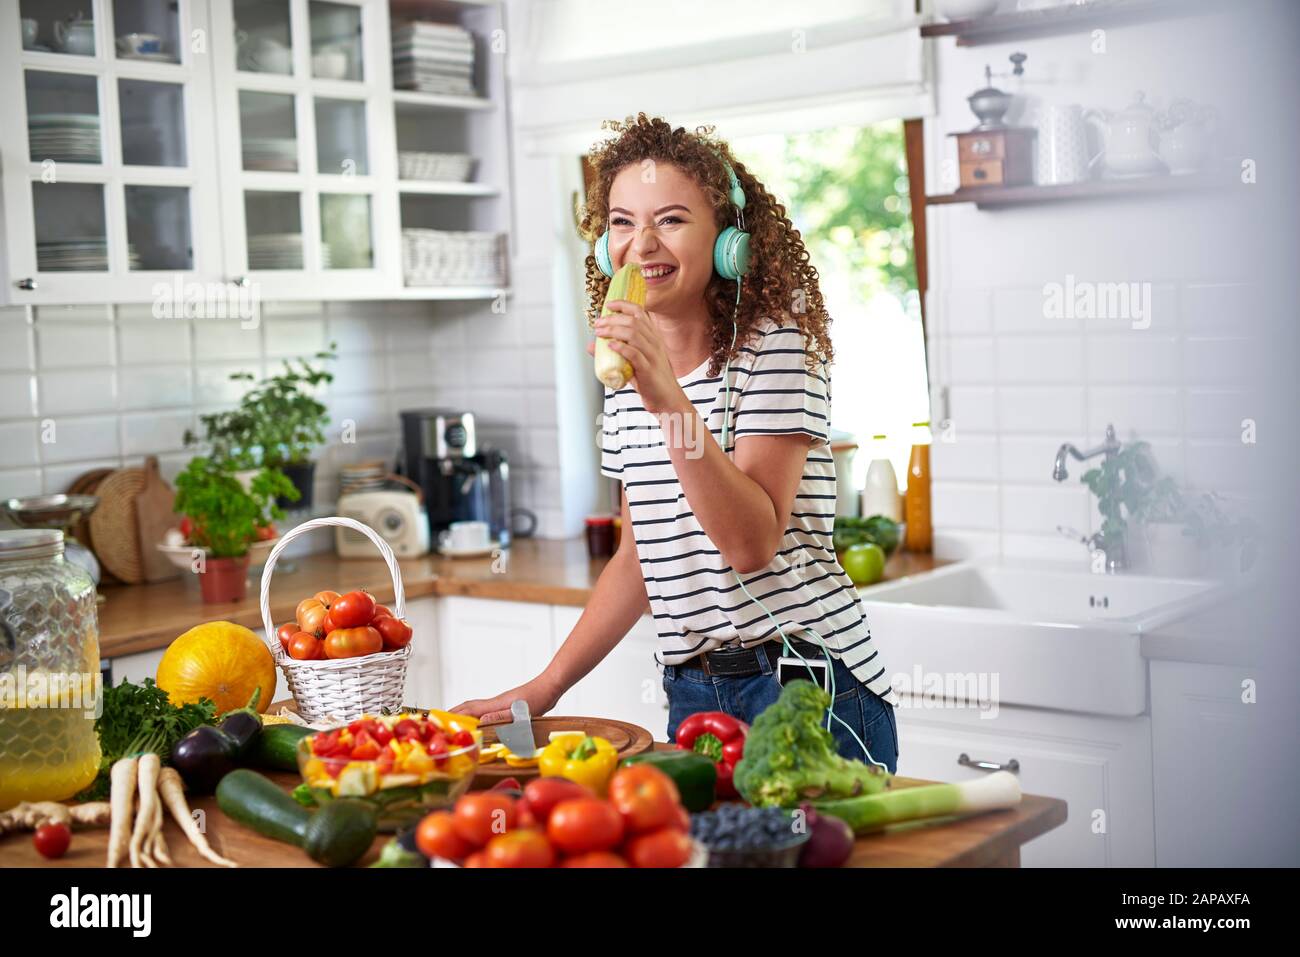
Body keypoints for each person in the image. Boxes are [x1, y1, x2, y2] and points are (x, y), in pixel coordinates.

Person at [452, 113, 898, 772]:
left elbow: (751, 543)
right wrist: (545, 687)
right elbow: (637, 557)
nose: (641, 244)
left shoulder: (776, 347)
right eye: (622, 222)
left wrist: (664, 395)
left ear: (728, 242)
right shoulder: (627, 369)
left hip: (804, 683)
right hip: (691, 689)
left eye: (671, 219)